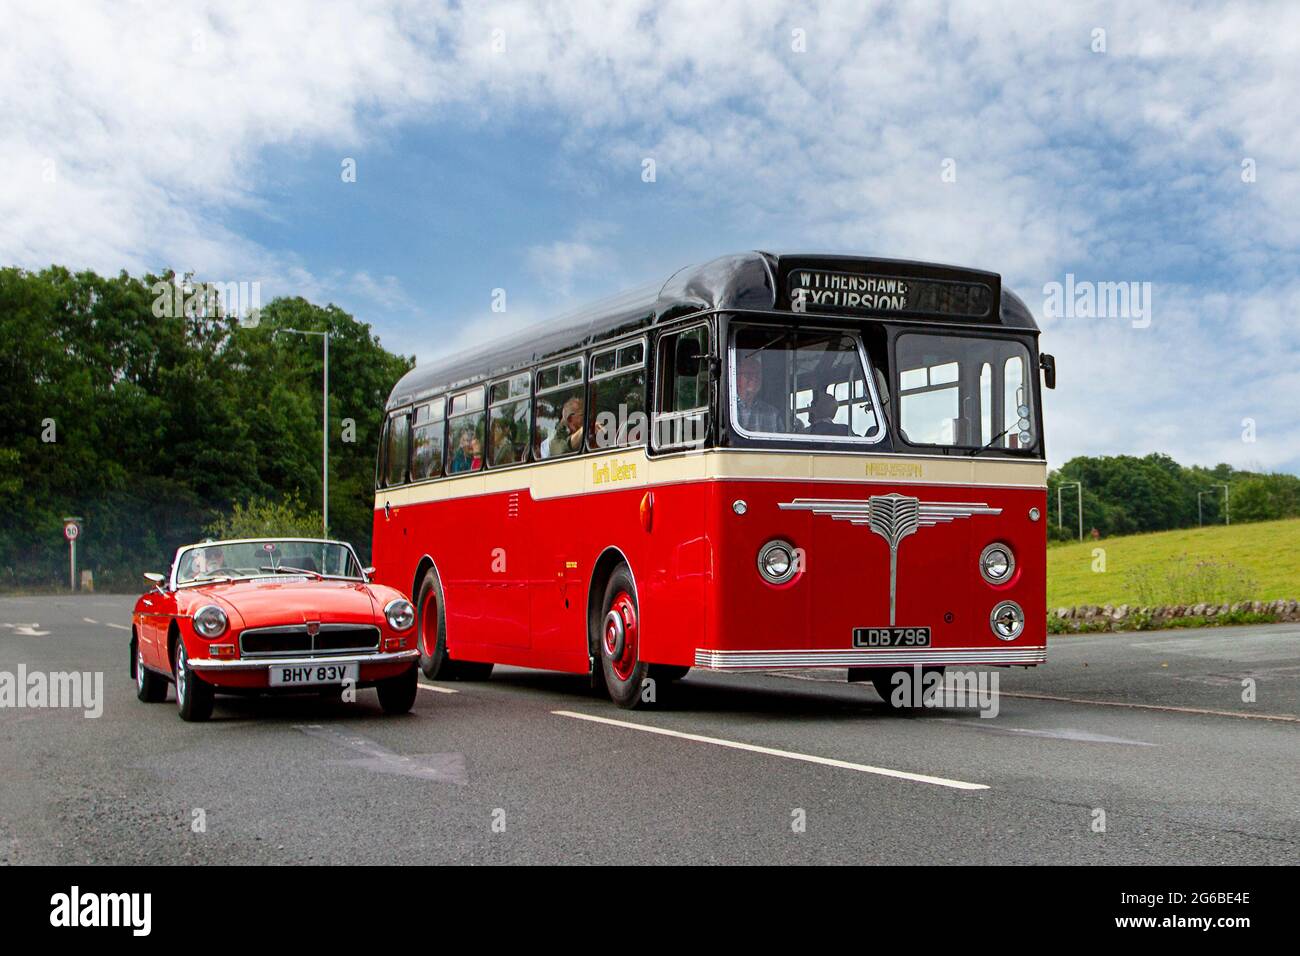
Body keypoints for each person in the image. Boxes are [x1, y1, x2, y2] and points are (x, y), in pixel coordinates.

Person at [734, 352, 782, 433]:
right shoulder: (728, 408)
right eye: (748, 374)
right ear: (737, 378)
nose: (754, 379)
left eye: (758, 375)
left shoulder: (772, 413)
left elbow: (782, 443)